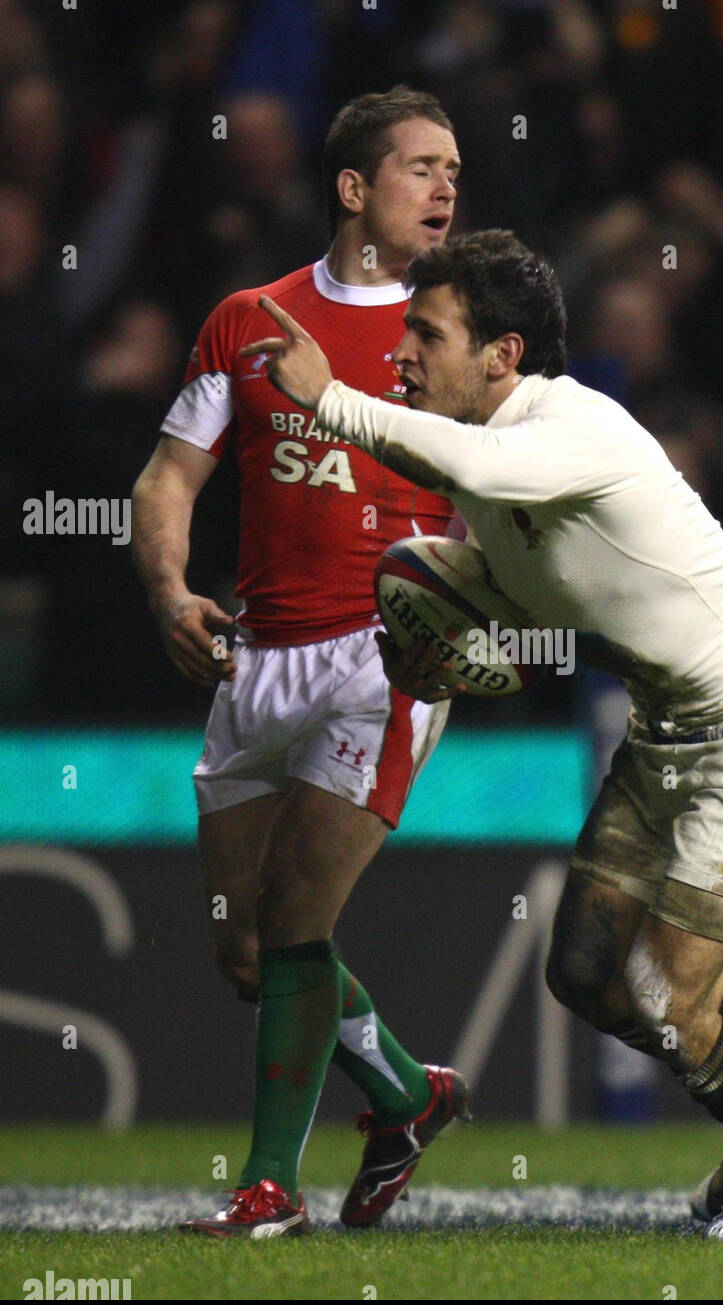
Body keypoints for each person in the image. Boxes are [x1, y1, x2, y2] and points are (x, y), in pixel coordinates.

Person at [245, 229, 723, 1240]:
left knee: (668, 992)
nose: (402, 352)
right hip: (667, 737)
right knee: (582, 971)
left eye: (427, 333)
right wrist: (432, 649)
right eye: (404, 329)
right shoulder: (490, 487)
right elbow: (494, 610)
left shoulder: (572, 429)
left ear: (503, 356)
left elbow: (465, 458)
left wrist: (326, 397)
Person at [131, 88, 470, 1239]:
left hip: (382, 659)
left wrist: (480, 618)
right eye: (420, 167)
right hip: (256, 660)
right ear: (352, 188)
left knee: (291, 922)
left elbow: (500, 496)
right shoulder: (250, 319)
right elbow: (167, 481)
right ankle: (406, 1094)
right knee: (244, 947)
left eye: (454, 170)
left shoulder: (457, 333)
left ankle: (268, 1190)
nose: (443, 188)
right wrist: (172, 592)